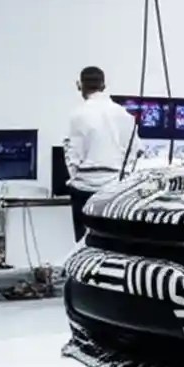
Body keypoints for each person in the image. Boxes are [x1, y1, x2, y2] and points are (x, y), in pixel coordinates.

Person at [64, 66, 134, 241]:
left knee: (84, 244)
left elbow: (74, 156)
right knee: (114, 241)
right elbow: (134, 152)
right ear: (104, 85)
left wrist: (74, 179)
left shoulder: (78, 115)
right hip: (114, 187)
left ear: (79, 85)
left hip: (85, 188)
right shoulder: (124, 114)